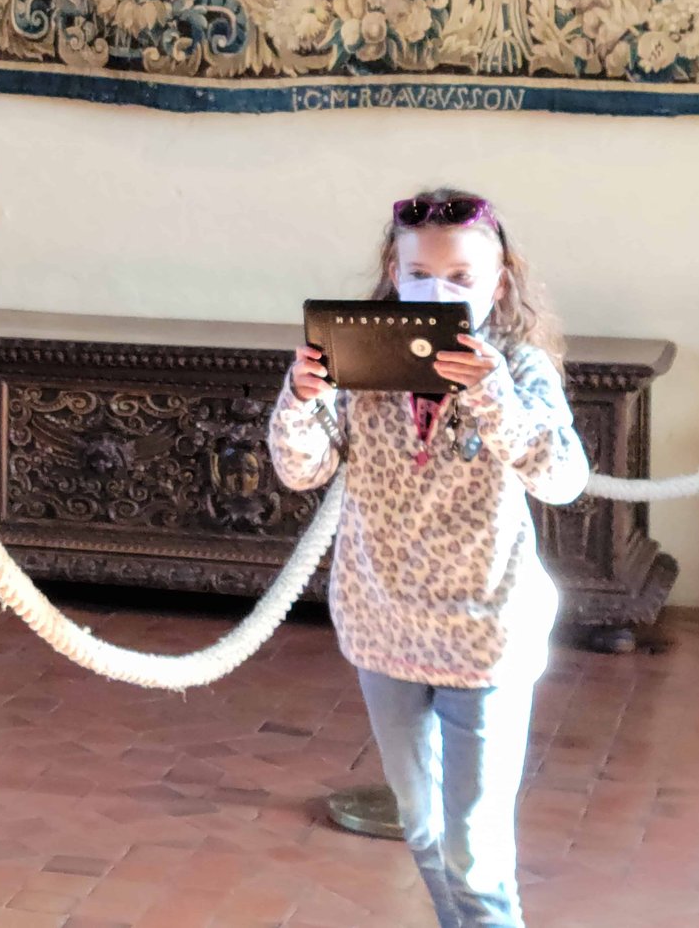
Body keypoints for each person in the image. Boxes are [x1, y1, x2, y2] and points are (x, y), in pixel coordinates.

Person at [269, 189, 589, 928]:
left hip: (485, 632)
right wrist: (300, 395)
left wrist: (491, 394)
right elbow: (301, 469)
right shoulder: (361, 358)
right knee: (421, 825)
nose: (438, 293)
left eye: (461, 278)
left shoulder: (518, 364)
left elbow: (563, 477)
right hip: (383, 623)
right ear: (394, 273)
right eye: (419, 274)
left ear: (498, 284)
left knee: (474, 845)